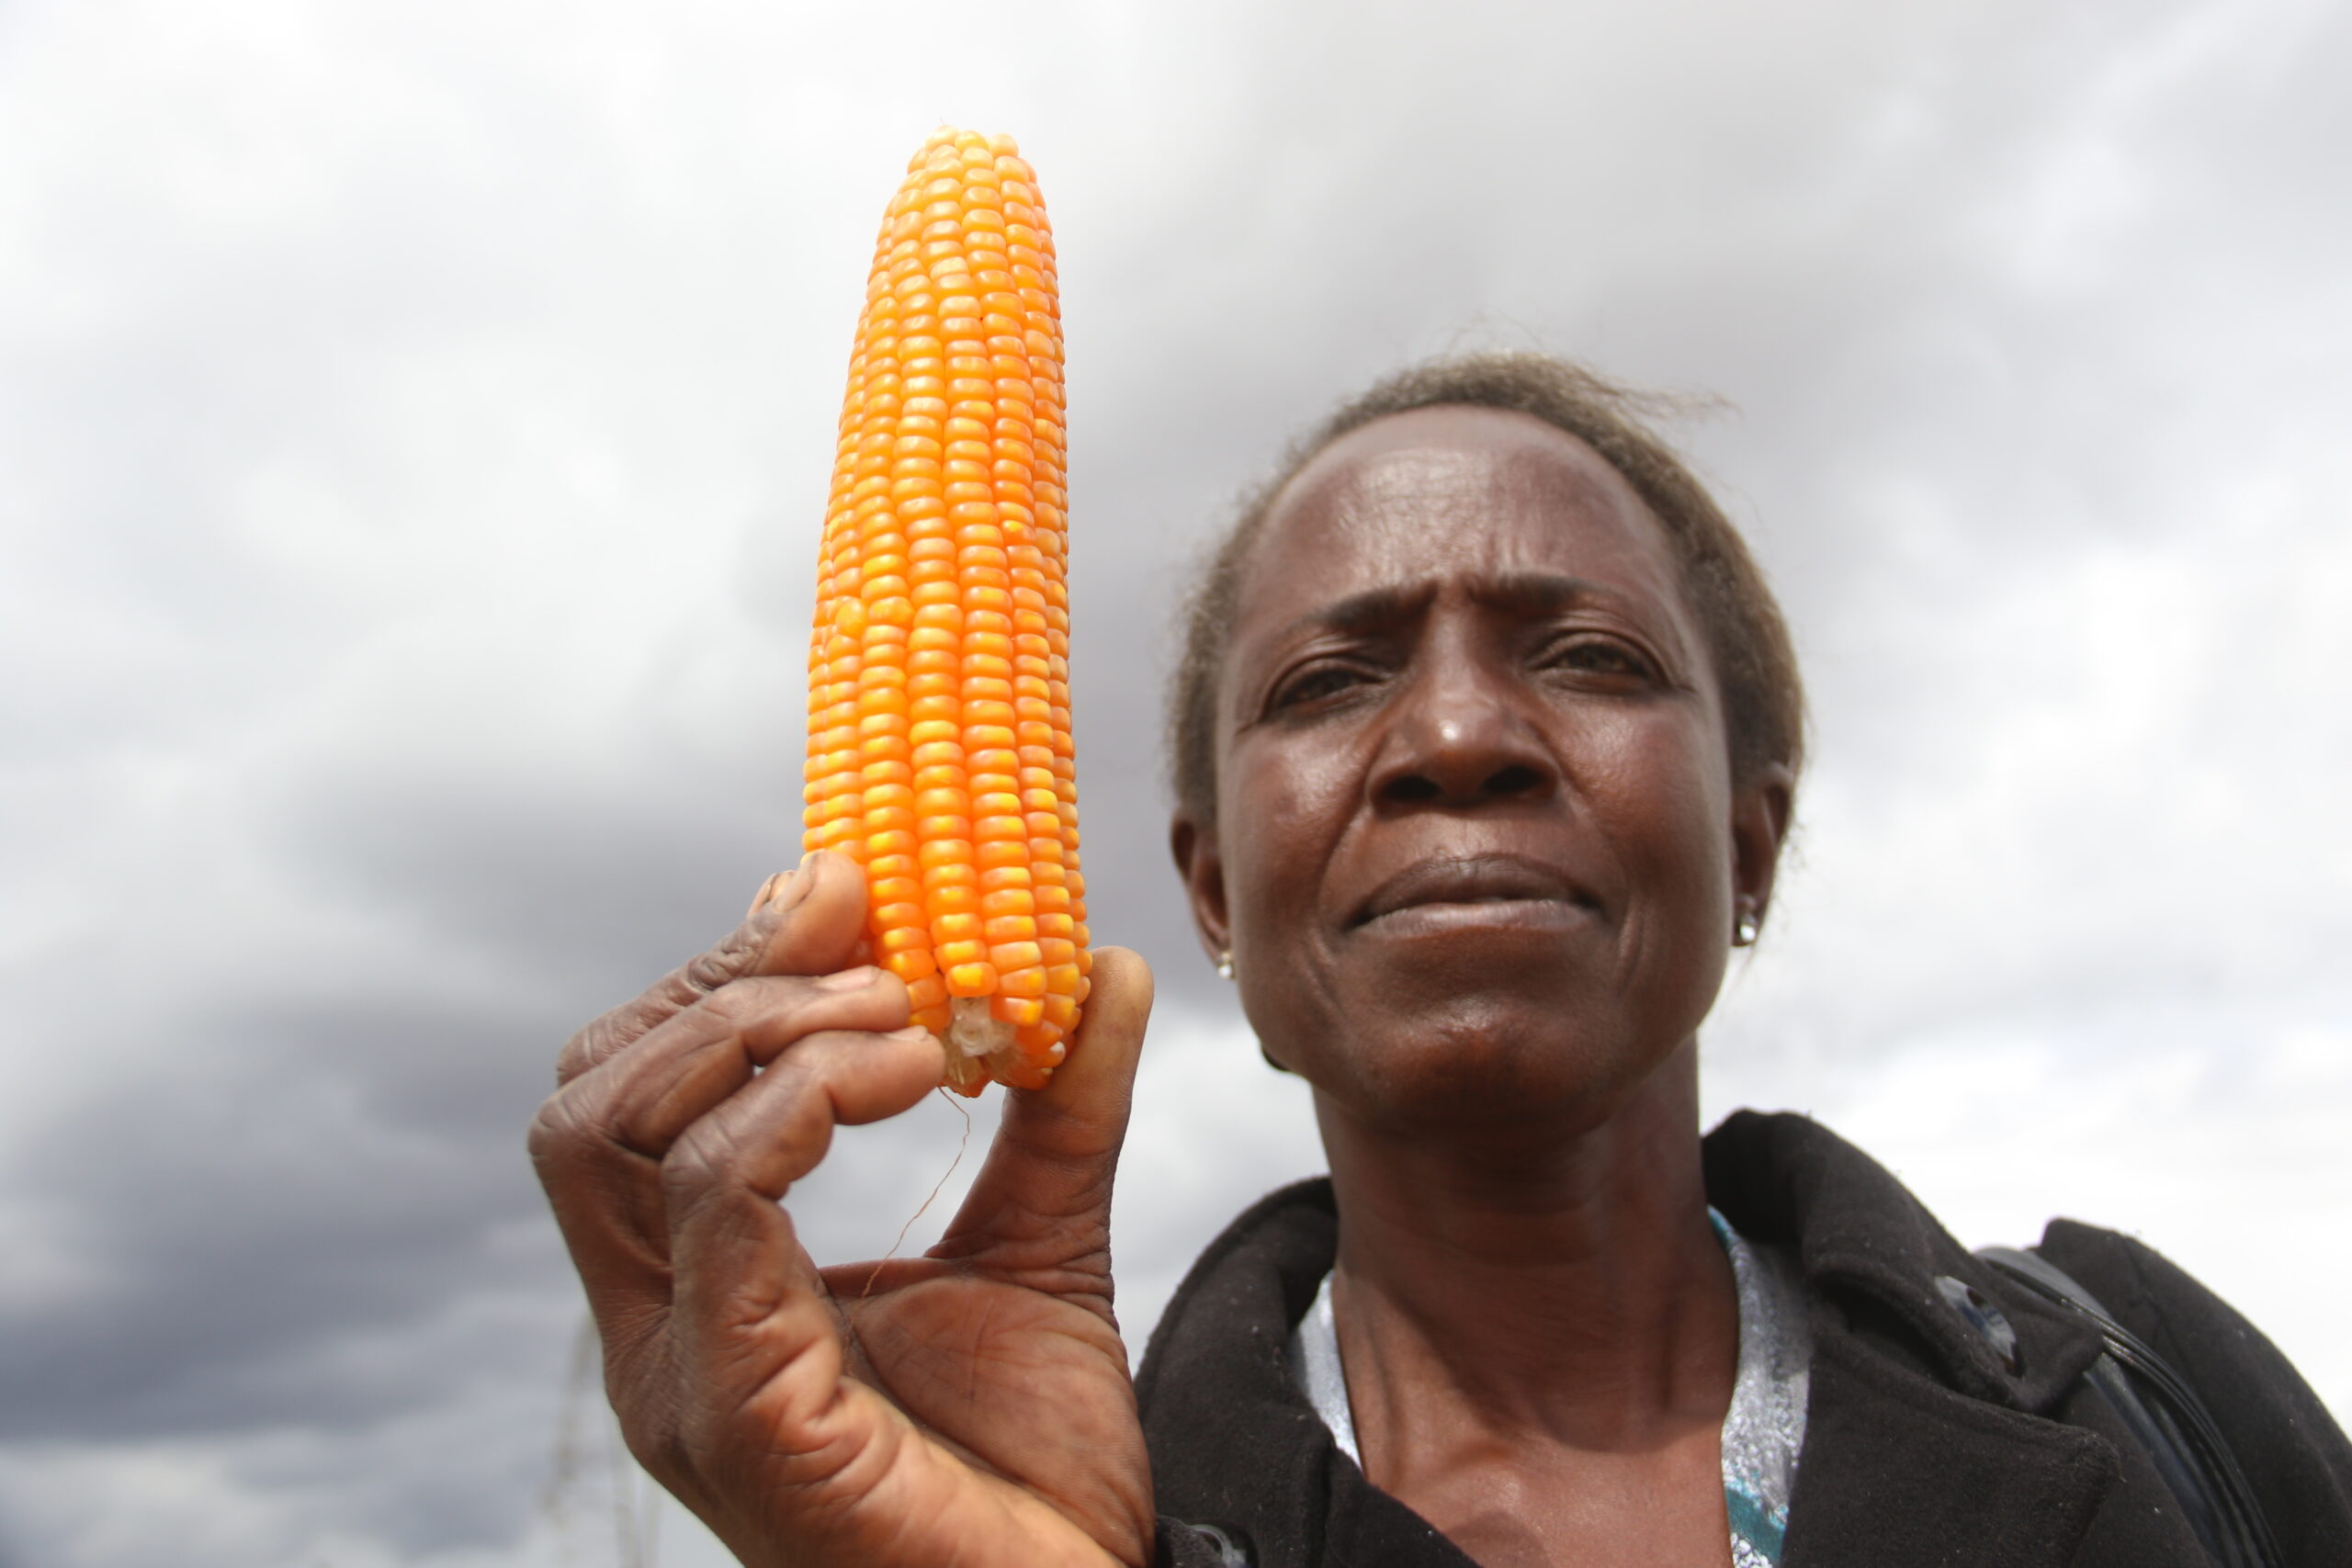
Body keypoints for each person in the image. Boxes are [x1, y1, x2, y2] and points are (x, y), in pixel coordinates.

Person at [527, 354, 2352, 1568]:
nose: (1456, 731)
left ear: (1746, 839)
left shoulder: (2147, 1386)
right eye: (1328, 683)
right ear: (1215, 894)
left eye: (1588, 656)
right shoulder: (1084, 1512)